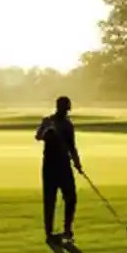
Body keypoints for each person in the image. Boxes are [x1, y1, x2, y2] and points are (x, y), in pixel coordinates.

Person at [35, 96, 82, 244]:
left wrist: (77, 163)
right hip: (50, 166)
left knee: (71, 198)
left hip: (64, 165)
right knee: (50, 200)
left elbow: (72, 145)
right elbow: (38, 136)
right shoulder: (48, 121)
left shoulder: (68, 124)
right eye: (65, 108)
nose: (66, 111)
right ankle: (49, 233)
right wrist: (47, 129)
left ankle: (67, 230)